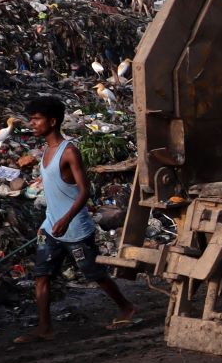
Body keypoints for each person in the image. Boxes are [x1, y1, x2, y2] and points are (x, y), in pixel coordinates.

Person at [14, 96, 136, 343]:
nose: (32, 123)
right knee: (42, 276)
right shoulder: (45, 151)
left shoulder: (68, 151)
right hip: (51, 228)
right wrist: (46, 223)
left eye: (36, 119)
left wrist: (67, 219)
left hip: (76, 229)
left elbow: (84, 191)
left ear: (52, 121)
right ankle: (44, 328)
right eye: (31, 119)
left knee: (94, 275)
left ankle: (127, 307)